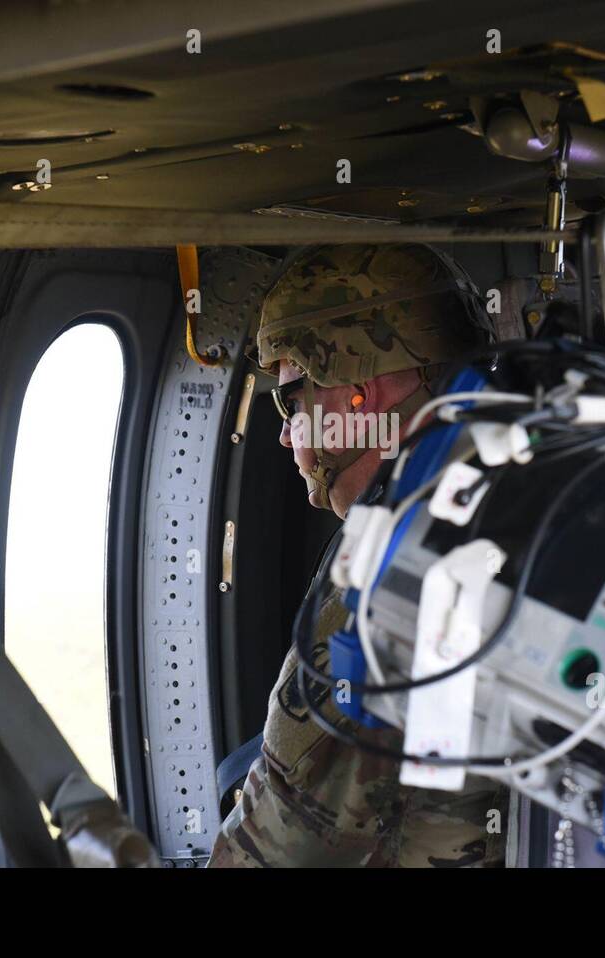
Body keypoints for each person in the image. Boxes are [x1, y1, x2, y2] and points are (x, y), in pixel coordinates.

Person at [207, 243, 509, 867]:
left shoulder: (387, 585)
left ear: (358, 395)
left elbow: (276, 850)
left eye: (290, 398)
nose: (287, 432)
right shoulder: (547, 472)